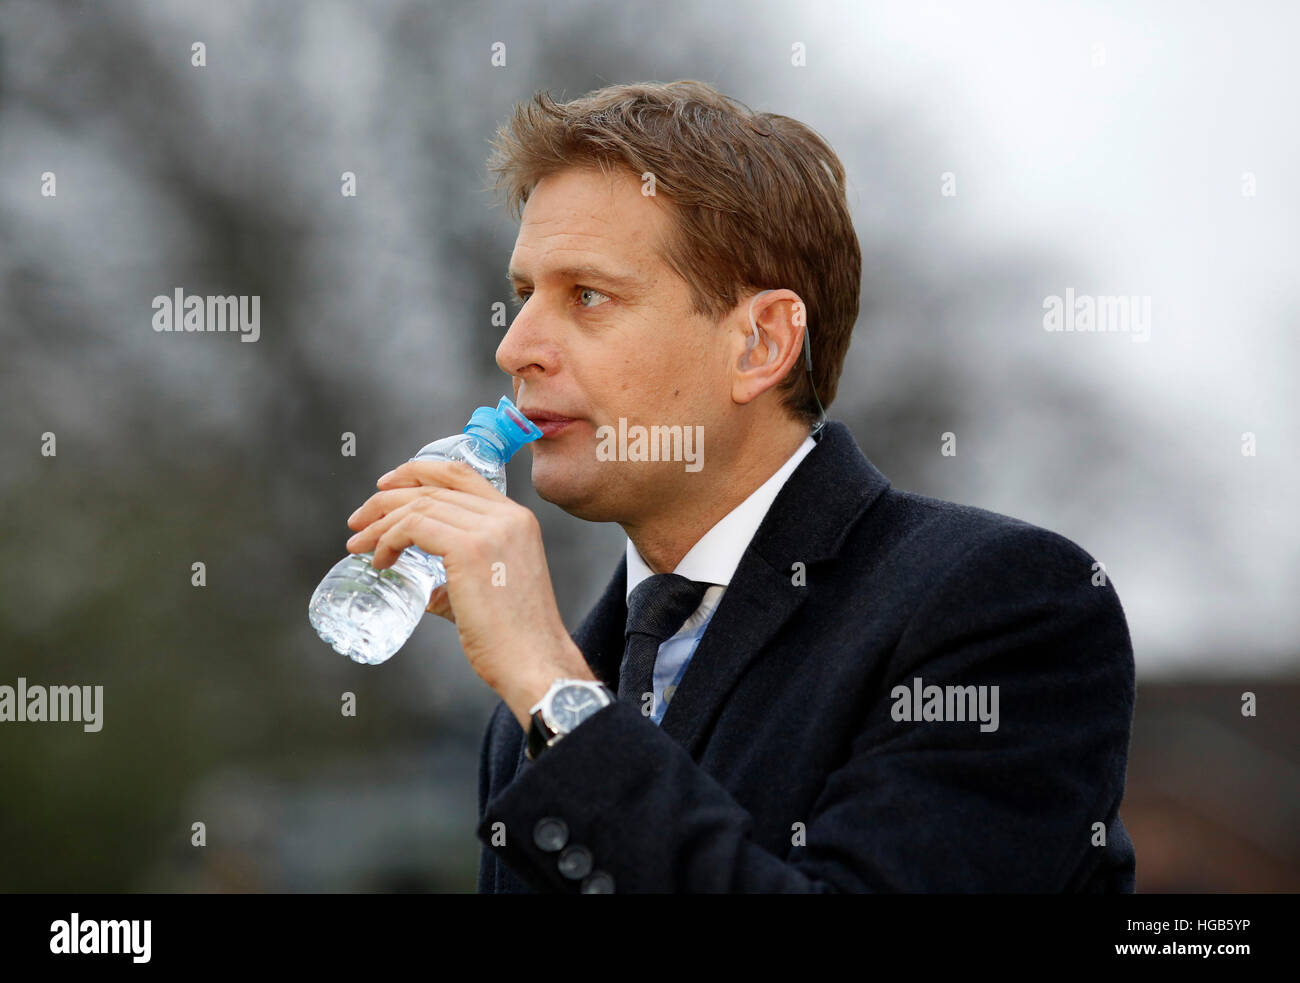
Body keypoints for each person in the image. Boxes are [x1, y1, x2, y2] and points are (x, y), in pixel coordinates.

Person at [343, 80, 1136, 893]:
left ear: (760, 343)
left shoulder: (1005, 609)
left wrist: (550, 684)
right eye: (523, 295)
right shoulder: (537, 710)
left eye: (587, 294)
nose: (518, 347)